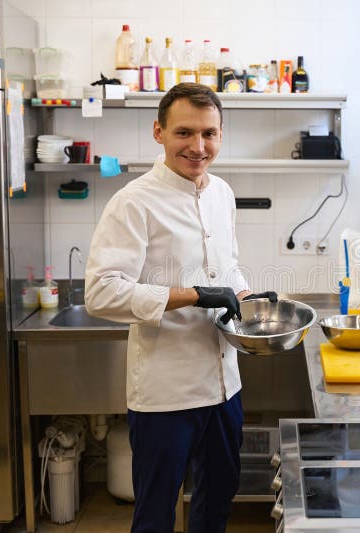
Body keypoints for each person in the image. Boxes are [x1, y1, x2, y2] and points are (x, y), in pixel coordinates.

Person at [85, 82, 277, 533]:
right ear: (159, 132)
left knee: (217, 501)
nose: (198, 146)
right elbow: (100, 292)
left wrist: (245, 298)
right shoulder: (133, 202)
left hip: (224, 385)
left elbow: (226, 269)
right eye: (184, 133)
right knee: (155, 513)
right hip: (165, 392)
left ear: (221, 136)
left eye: (209, 134)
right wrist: (192, 294)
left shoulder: (222, 194)